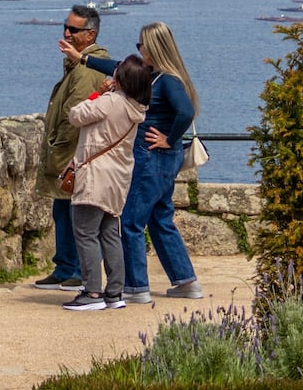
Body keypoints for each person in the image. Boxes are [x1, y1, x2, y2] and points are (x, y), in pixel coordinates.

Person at [63, 20, 203, 304]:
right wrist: (83, 59)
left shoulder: (166, 79)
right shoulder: (152, 75)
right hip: (165, 158)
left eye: (140, 44)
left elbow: (186, 111)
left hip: (153, 156)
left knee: (129, 221)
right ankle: (185, 280)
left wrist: (168, 137)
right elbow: (118, 68)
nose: (137, 49)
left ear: (152, 48)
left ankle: (136, 286)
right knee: (160, 218)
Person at [61, 54, 151, 312]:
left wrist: (97, 93)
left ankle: (92, 292)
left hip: (95, 176)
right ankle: (114, 292)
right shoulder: (136, 108)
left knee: (86, 233)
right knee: (110, 233)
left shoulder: (110, 102)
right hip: (118, 179)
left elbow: (76, 115)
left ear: (122, 80)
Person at [32, 5, 111, 291]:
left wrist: (57, 148)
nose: (66, 33)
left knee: (76, 215)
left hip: (74, 154)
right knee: (62, 212)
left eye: (73, 30)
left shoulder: (88, 69)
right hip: (70, 152)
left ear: (90, 35)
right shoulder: (80, 65)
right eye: (65, 27)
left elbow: (76, 113)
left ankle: (76, 271)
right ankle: (65, 267)